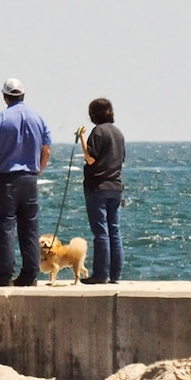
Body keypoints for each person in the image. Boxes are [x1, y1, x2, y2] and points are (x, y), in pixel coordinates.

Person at [0, 78, 53, 286]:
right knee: (30, 228)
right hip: (30, 179)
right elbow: (46, 150)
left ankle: (4, 275)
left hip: (5, 180)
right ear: (23, 95)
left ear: (5, 96)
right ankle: (29, 275)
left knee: (4, 228)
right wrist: (38, 170)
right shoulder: (38, 119)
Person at [77, 98, 125, 284]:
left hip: (98, 187)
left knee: (101, 232)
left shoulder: (98, 132)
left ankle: (100, 274)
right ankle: (115, 275)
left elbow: (91, 159)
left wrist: (82, 138)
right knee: (114, 230)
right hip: (116, 186)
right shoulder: (118, 133)